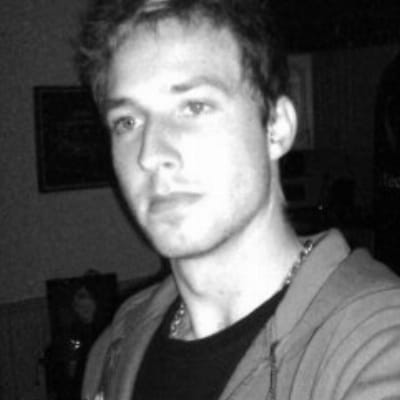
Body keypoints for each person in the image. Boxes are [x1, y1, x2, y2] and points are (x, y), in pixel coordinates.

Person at [77, 0, 400, 399]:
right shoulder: (116, 346)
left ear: (277, 128)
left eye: (194, 106)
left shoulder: (375, 342)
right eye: (127, 121)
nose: (150, 153)